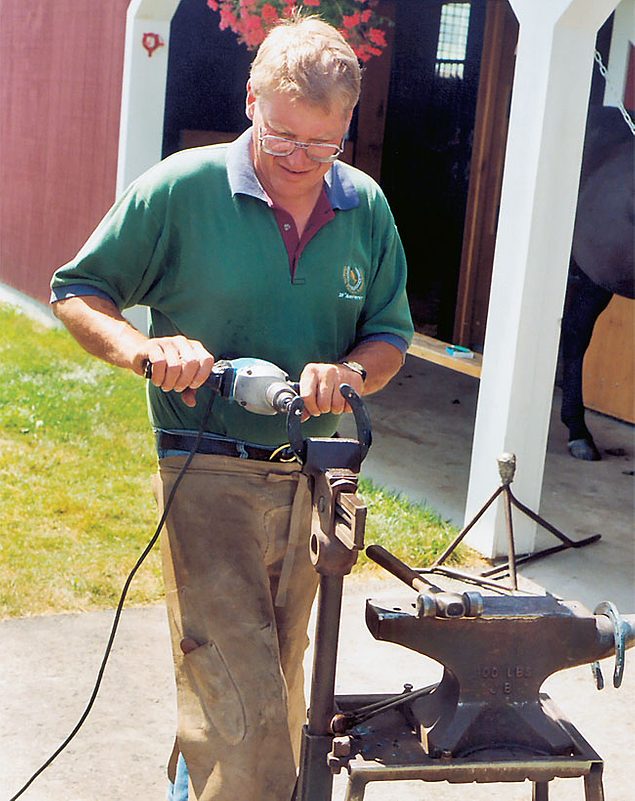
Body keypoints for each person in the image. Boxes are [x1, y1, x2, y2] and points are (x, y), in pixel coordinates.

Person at [50, 14, 413, 801]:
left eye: (323, 146)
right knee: (237, 691)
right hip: (203, 465)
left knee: (275, 680)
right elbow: (78, 291)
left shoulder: (366, 208)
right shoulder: (181, 188)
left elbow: (388, 336)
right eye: (283, 137)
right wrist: (146, 350)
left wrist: (348, 371)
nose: (299, 162)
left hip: (313, 478)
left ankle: (192, 784)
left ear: (346, 127)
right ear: (251, 99)